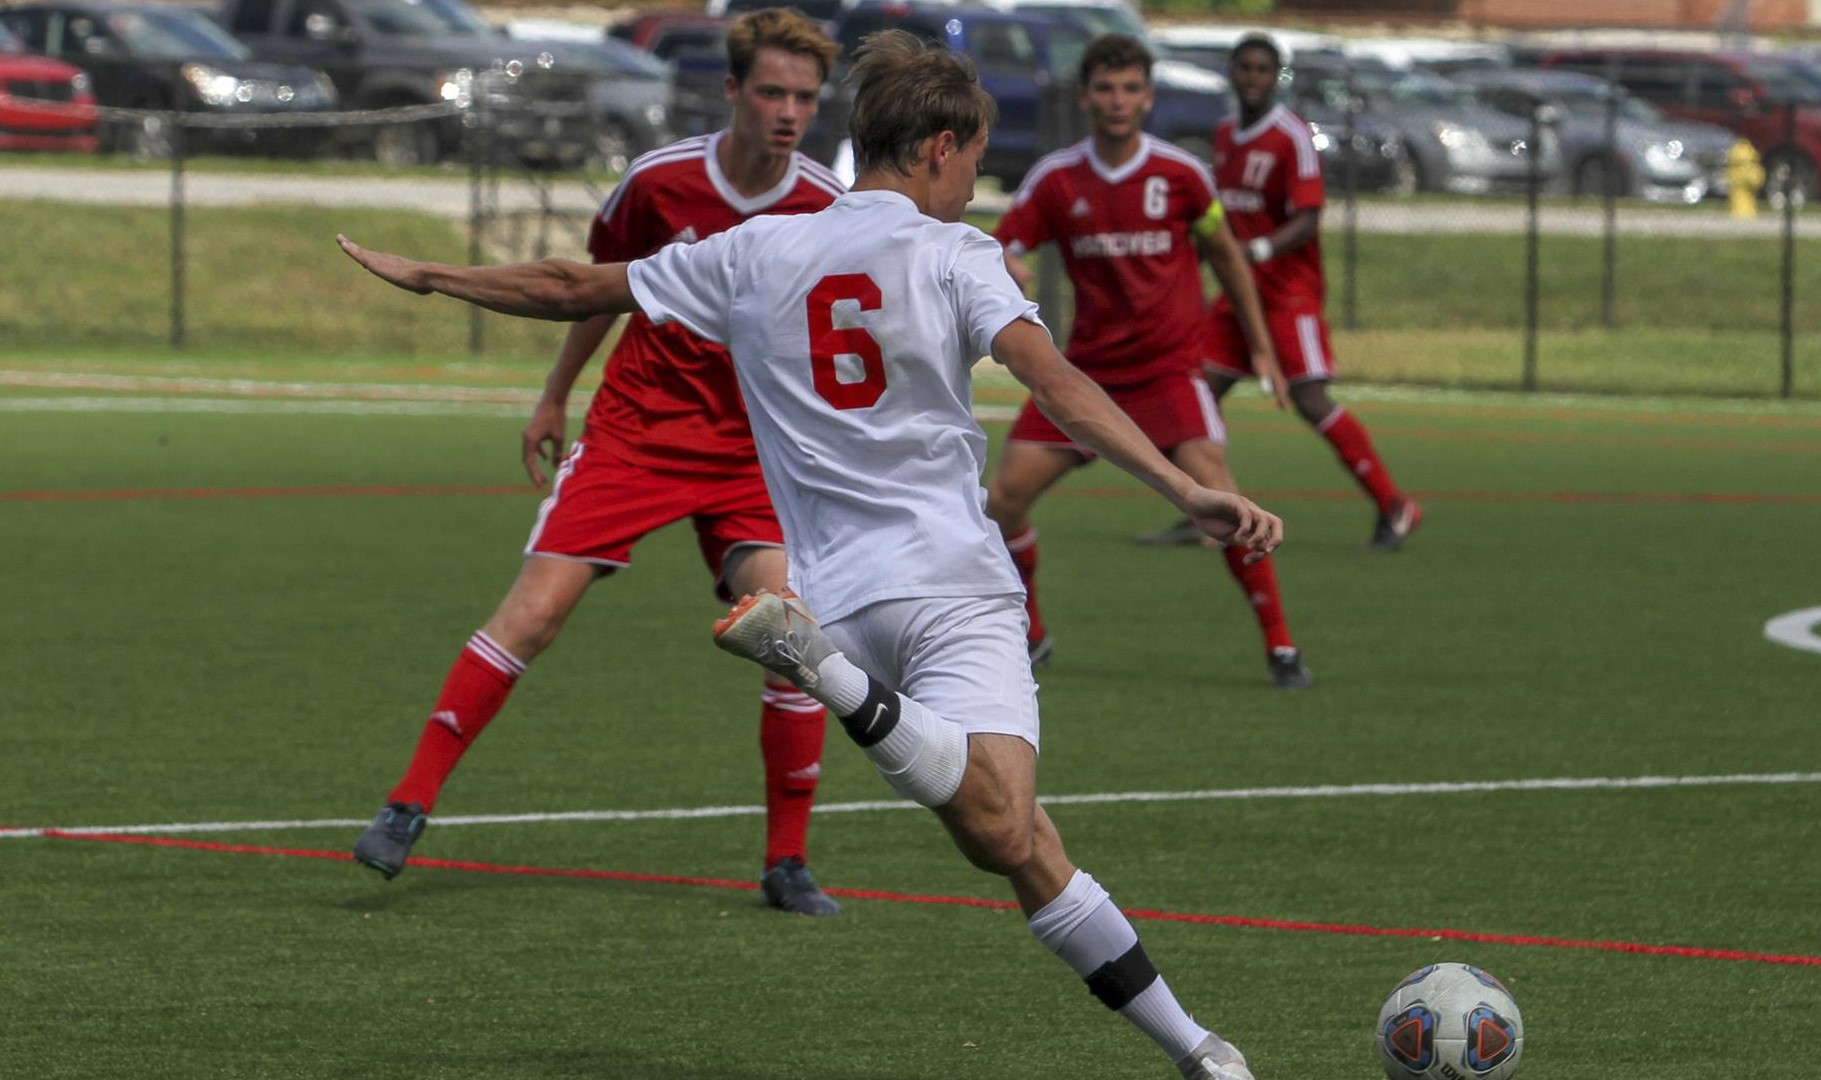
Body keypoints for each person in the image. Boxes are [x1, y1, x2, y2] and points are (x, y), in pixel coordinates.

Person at [337, 29, 1276, 1080]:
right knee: (1004, 823)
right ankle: (823, 679)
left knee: (1015, 841)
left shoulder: (758, 250)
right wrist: (1187, 482)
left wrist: (427, 274)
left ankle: (1200, 1054)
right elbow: (1053, 381)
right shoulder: (956, 253)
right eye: (974, 159)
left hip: (835, 595)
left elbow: (569, 285)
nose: (976, 181)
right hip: (953, 586)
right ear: (937, 148)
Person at [348, 8, 848, 917]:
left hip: (750, 456)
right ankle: (407, 802)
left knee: (795, 638)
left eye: (804, 98)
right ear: (733, 91)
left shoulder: (824, 203)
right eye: (770, 91)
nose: (787, 111)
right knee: (533, 612)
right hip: (638, 432)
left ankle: (788, 863)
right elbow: (592, 288)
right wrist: (554, 394)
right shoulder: (658, 181)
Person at [989, 33, 1310, 689]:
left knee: (1222, 503)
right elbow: (1007, 243)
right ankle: (1035, 633)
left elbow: (1226, 257)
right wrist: (1009, 261)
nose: (1117, 100)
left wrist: (1259, 344)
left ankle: (1281, 645)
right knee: (1003, 501)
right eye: (1105, 88)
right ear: (1085, 97)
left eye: (1130, 88)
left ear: (1148, 97)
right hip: (1084, 379)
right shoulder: (1057, 178)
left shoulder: (1182, 175)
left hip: (1168, 375)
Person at [1139, 33, 1420, 552]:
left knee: (1311, 400)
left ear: (1276, 77)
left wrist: (1259, 252)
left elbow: (1310, 217)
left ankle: (1394, 505)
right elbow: (1218, 215)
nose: (1252, 77)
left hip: (1289, 295)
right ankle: (1210, 513)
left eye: (1262, 69)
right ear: (1232, 72)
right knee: (1194, 393)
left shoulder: (1290, 137)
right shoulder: (1226, 135)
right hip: (1235, 300)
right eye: (1244, 67)